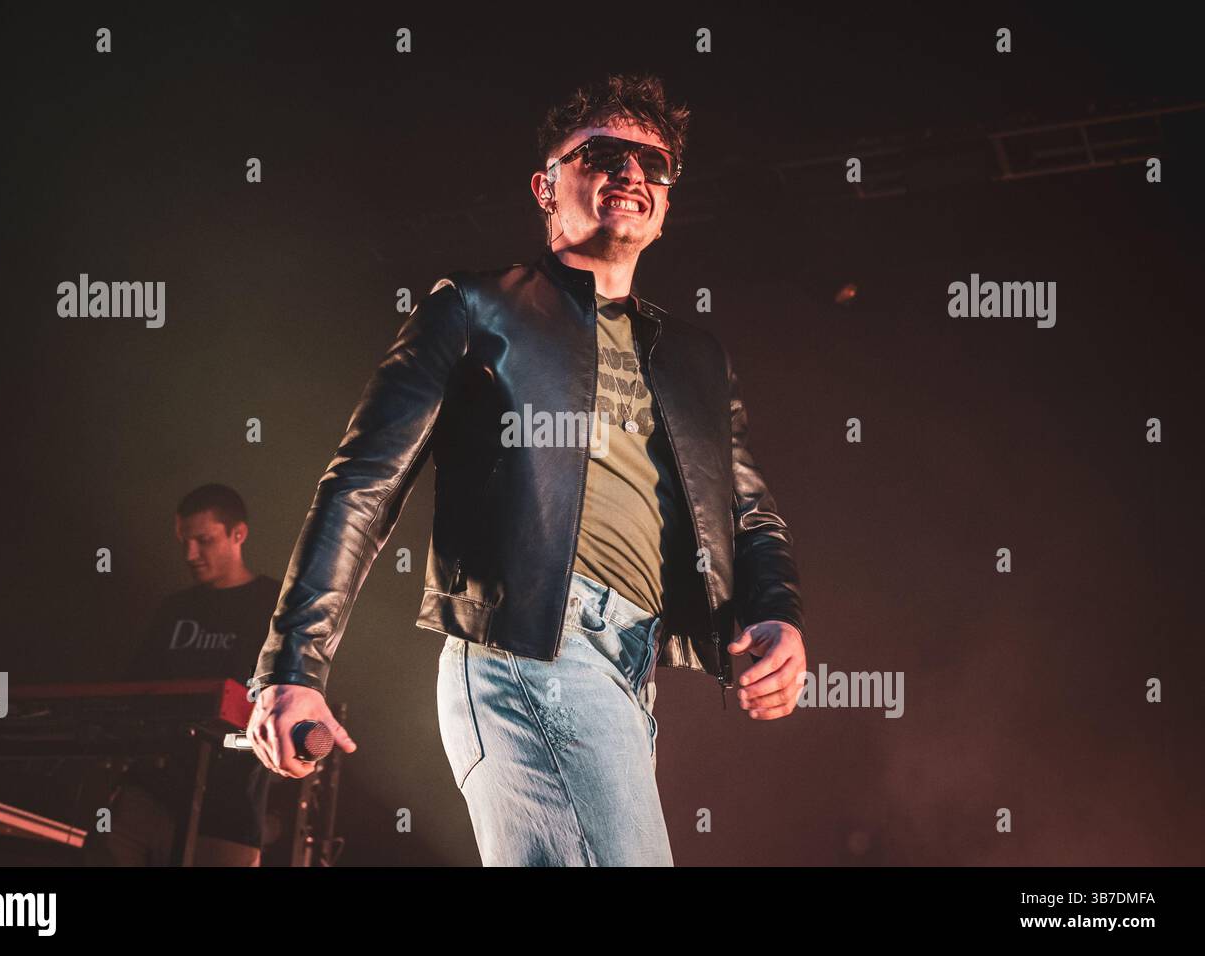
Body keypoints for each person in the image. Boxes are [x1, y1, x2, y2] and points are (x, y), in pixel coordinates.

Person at [247, 74, 808, 866]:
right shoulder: (474, 308)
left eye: (653, 164)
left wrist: (778, 612)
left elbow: (751, 513)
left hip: (633, 672)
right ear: (546, 186)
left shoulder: (696, 360)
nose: (632, 173)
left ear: (668, 202)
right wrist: (293, 664)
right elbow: (363, 485)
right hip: (530, 653)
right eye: (605, 154)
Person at [84, 483, 280, 866]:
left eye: (203, 541)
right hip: (149, 793)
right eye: (184, 542)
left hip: (229, 804)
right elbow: (134, 689)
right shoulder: (175, 608)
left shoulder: (272, 605)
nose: (190, 554)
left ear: (238, 534)